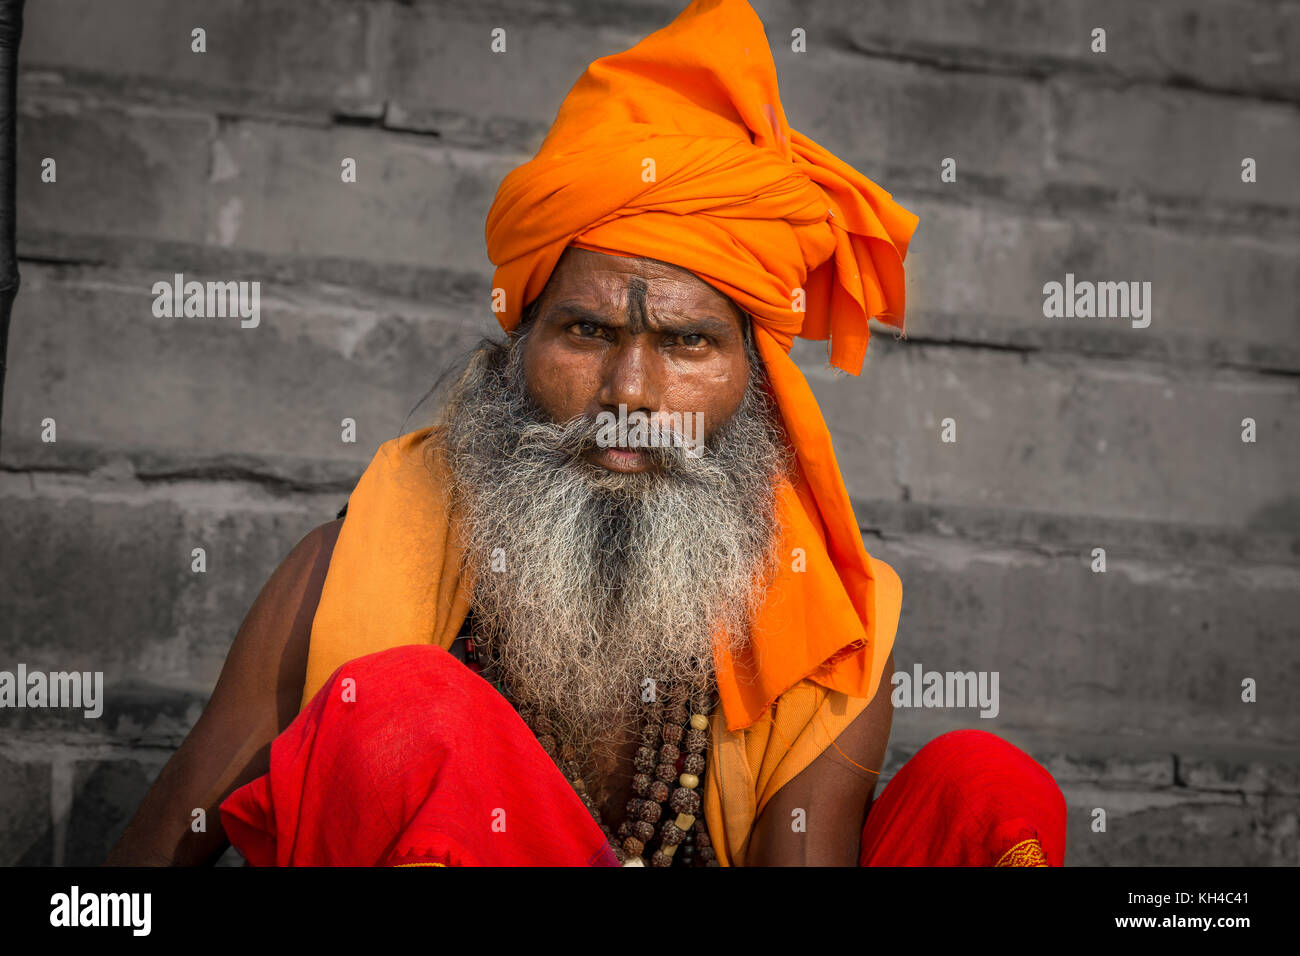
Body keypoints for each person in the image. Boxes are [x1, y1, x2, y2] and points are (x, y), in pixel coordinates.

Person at [106, 0, 1065, 867]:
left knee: (986, 793)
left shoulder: (825, 633)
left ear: (754, 379)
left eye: (687, 341)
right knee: (403, 713)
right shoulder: (345, 571)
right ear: (520, 343)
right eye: (588, 331)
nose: (632, 391)